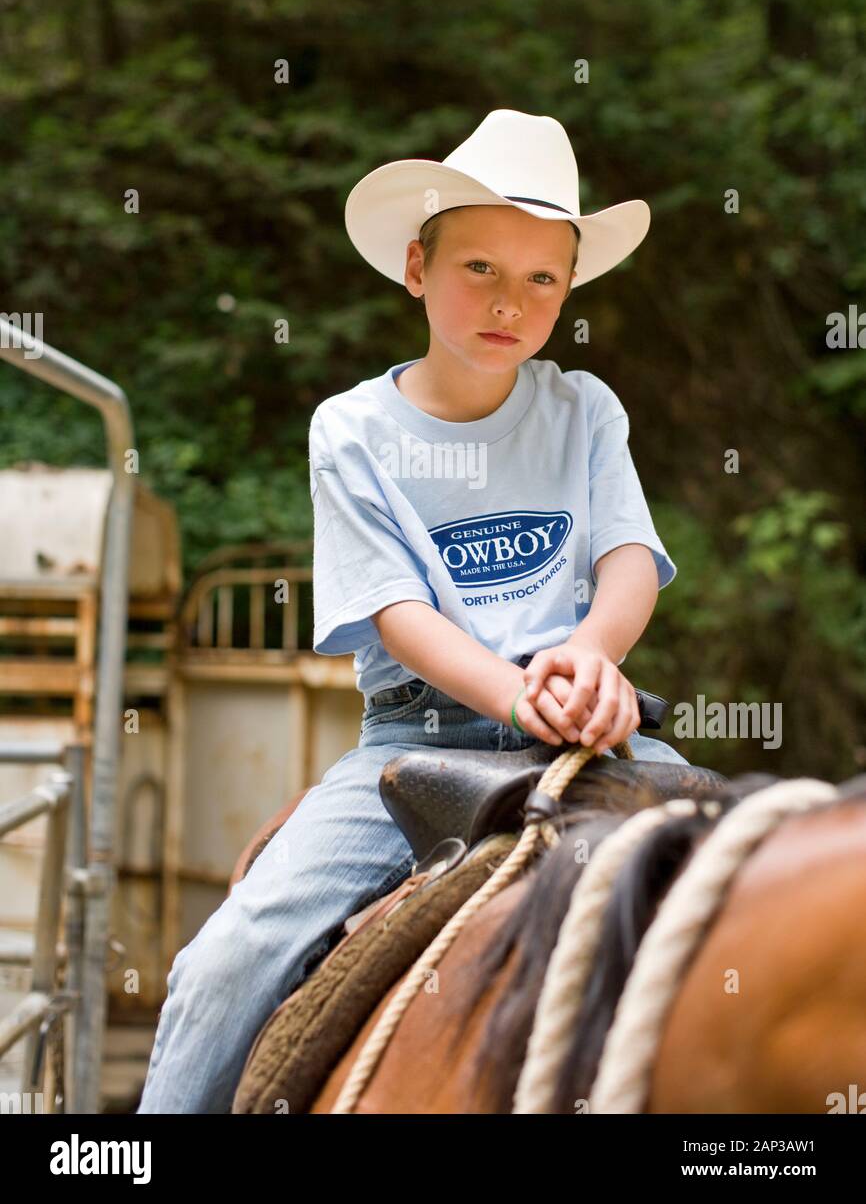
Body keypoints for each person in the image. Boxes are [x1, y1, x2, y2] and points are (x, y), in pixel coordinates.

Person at [137, 107, 688, 1115]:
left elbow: (626, 562)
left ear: (567, 291)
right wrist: (521, 694)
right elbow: (395, 611)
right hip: (413, 747)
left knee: (730, 868)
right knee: (231, 959)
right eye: (477, 266)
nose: (507, 302)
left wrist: (589, 659)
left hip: (589, 726)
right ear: (414, 268)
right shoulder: (351, 428)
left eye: (540, 279)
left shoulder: (584, 408)